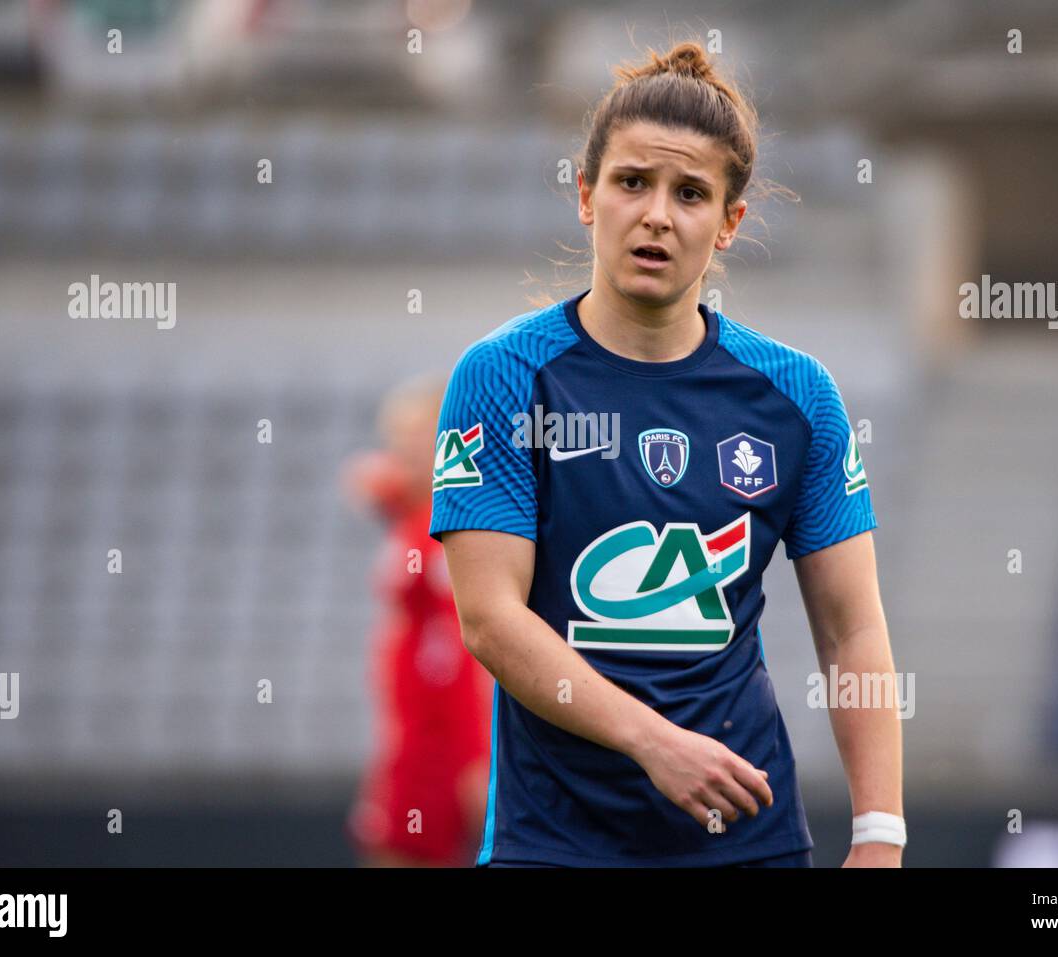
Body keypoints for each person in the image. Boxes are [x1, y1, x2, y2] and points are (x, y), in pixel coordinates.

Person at [430, 40, 904, 867]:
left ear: (729, 223)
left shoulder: (798, 397)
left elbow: (852, 628)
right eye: (631, 182)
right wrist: (657, 742)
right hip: (554, 843)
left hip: (745, 841)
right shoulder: (502, 378)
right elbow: (490, 620)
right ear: (585, 195)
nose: (656, 214)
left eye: (690, 193)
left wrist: (879, 834)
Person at [343, 375, 492, 867]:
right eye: (398, 436)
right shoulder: (414, 511)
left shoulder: (455, 528)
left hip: (441, 741)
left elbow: (479, 646)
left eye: (419, 435)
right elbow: (371, 479)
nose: (404, 449)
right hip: (411, 733)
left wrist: (480, 755)